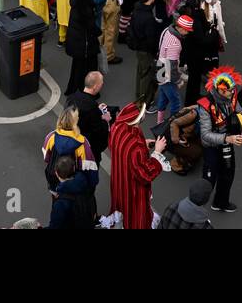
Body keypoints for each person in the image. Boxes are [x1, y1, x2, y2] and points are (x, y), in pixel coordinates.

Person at [107, 102, 168, 230]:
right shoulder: (135, 146)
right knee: (135, 213)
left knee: (121, 205)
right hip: (132, 187)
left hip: (119, 179)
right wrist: (157, 152)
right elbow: (145, 174)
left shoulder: (116, 127)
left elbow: (117, 148)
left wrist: (144, 144)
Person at [196, 66, 242, 212]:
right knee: (209, 180)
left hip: (227, 141)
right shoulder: (205, 106)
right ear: (221, 90)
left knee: (228, 173)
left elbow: (240, 114)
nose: (233, 92)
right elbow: (205, 135)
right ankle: (197, 208)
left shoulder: (231, 96)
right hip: (211, 146)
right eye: (230, 90)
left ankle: (220, 202)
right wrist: (228, 138)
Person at [64, 0, 101, 98]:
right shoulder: (85, 8)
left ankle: (73, 89)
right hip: (86, 45)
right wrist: (99, 32)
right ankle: (87, 92)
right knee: (89, 68)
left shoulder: (75, 3)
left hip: (76, 44)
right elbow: (91, 27)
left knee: (77, 68)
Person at [155, 13, 191, 123]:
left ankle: (160, 122)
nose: (188, 32)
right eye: (187, 30)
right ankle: (172, 126)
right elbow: (172, 65)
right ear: (180, 28)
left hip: (160, 69)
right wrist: (178, 81)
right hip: (168, 75)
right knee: (176, 102)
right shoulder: (175, 42)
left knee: (163, 98)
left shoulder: (167, 30)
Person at [70, 71, 114, 163]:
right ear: (95, 86)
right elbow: (98, 130)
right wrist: (106, 120)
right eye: (101, 83)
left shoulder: (72, 97)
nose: (102, 84)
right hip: (87, 151)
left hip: (72, 143)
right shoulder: (91, 108)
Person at [48, 155, 98, 229]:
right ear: (74, 168)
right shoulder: (85, 182)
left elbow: (55, 226)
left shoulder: (60, 204)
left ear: (56, 173)